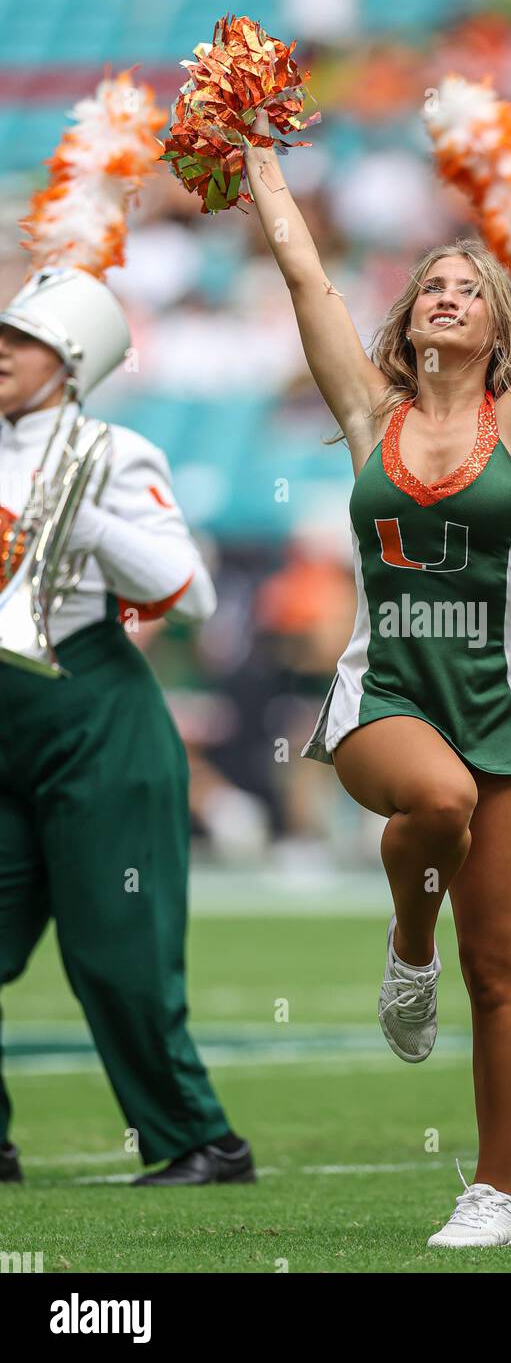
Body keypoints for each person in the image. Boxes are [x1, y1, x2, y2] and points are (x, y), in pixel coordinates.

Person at [244, 111, 511, 1246]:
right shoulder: (365, 413)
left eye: (467, 288)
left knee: (504, 975)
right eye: (429, 283)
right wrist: (253, 153)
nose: (443, 295)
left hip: (504, 705)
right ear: (407, 314)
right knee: (437, 799)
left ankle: (494, 1194)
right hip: (384, 689)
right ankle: (404, 942)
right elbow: (301, 275)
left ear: (495, 324)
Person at [0, 266, 254, 1187]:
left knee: (115, 951)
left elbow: (195, 596)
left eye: (21, 340)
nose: (1, 349)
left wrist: (92, 525)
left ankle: (201, 1141)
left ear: (68, 361)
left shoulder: (113, 451)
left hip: (92, 713)